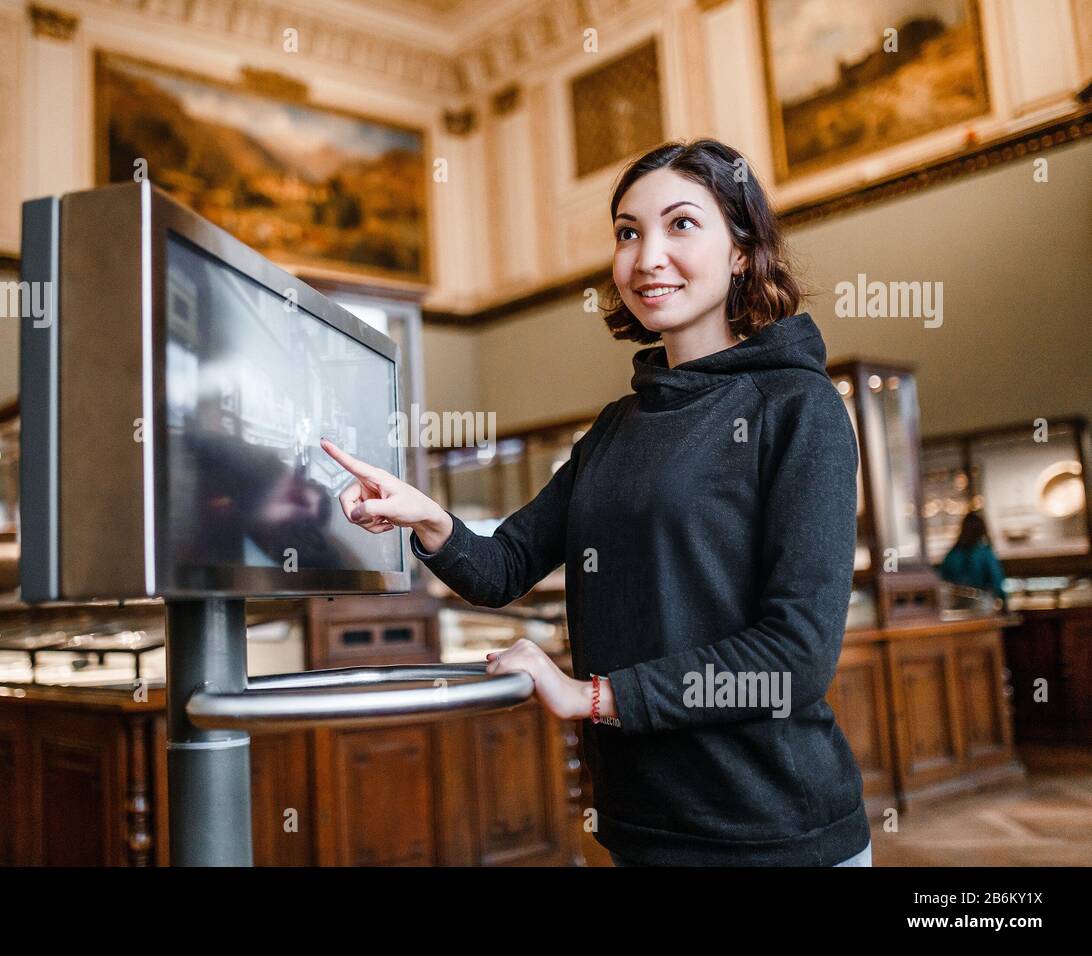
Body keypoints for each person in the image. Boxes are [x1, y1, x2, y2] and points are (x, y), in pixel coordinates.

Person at [321, 139, 872, 867]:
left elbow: (795, 657)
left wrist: (594, 697)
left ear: (742, 250)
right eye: (627, 231)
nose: (646, 257)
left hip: (773, 833)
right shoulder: (618, 426)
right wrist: (425, 517)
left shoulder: (799, 406)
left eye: (681, 224)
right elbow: (503, 566)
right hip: (640, 827)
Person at [939, 511, 1008, 610]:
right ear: (982, 530)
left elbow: (942, 583)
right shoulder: (984, 553)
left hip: (956, 609)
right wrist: (1005, 604)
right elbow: (996, 581)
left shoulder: (952, 555)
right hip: (982, 607)